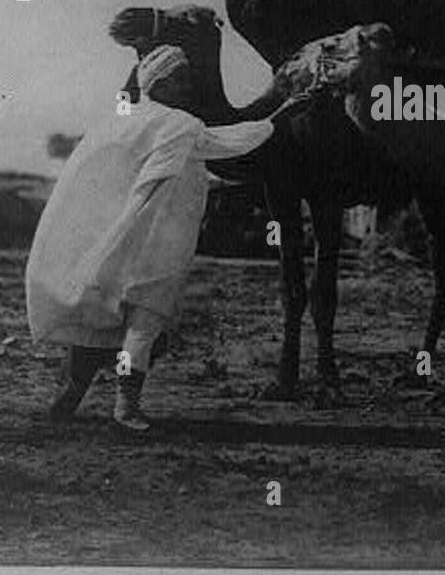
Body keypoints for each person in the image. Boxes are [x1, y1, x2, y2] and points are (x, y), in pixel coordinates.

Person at [26, 45, 276, 431]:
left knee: (97, 322)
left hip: (113, 241)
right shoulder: (180, 125)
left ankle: (71, 398)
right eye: (180, 78)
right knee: (144, 324)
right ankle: (125, 408)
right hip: (158, 244)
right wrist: (279, 116)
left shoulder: (117, 122)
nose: (187, 84)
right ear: (158, 83)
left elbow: (90, 175)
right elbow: (231, 143)